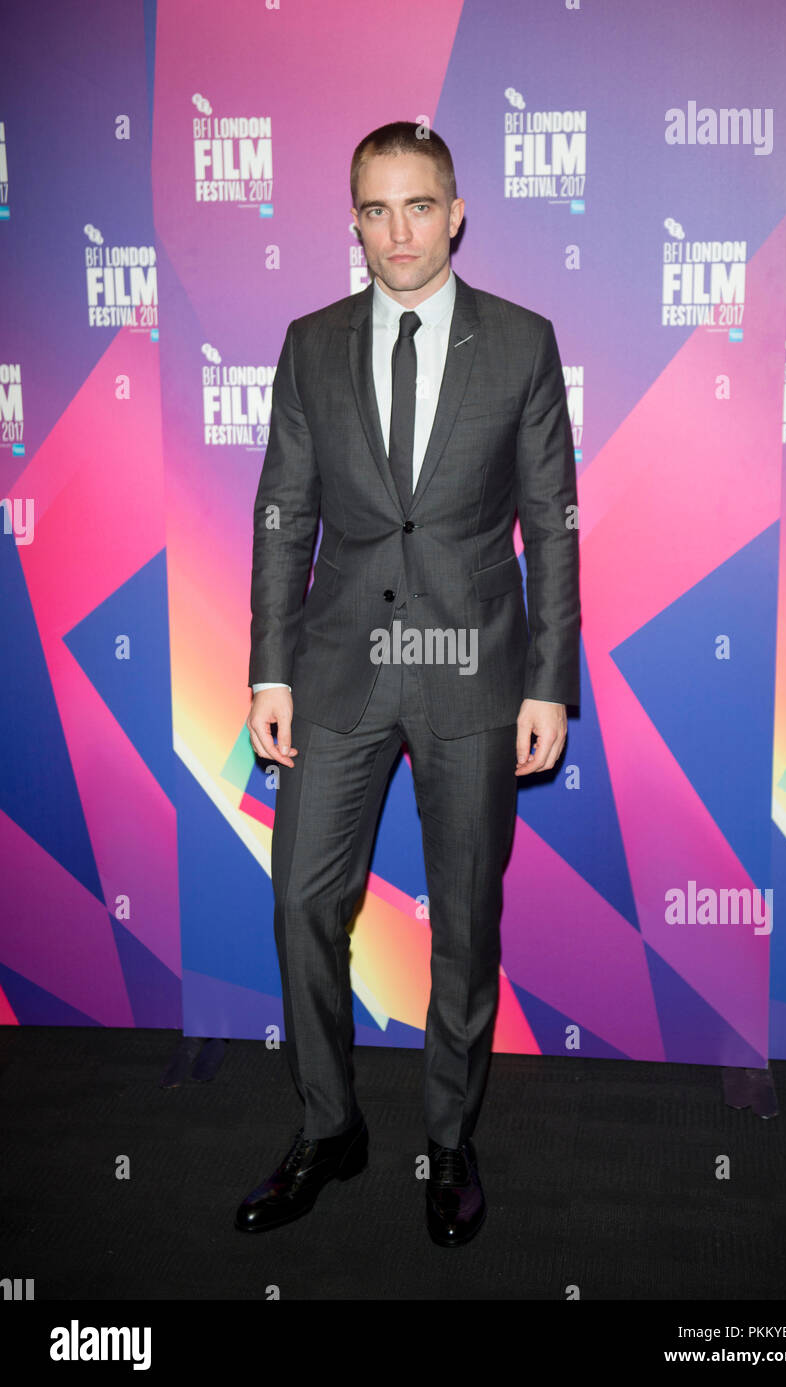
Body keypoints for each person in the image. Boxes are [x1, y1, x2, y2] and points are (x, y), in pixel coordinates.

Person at [237, 120, 580, 1246]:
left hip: (475, 672)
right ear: (354, 220)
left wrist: (548, 684)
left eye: (418, 206)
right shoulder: (310, 342)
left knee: (465, 928)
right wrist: (269, 668)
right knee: (300, 906)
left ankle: (448, 1136)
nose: (398, 232)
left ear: (457, 211)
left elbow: (551, 528)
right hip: (338, 671)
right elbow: (283, 516)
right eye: (376, 210)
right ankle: (331, 1127)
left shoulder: (523, 343)